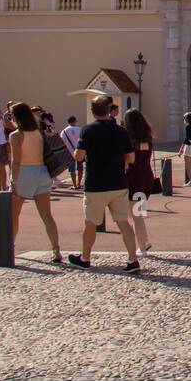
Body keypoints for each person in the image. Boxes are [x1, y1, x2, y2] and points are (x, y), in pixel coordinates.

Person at [69, 96, 140, 273]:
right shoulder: (121, 131)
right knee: (124, 222)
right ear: (109, 110)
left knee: (91, 223)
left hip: (96, 183)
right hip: (118, 182)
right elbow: (131, 157)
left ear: (92, 111)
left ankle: (85, 258)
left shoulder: (87, 130)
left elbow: (78, 155)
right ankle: (132, 259)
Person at [7, 102, 62, 263]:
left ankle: (10, 246)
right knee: (47, 216)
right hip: (42, 171)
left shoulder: (16, 135)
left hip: (25, 172)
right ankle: (56, 249)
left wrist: (13, 182)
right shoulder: (38, 132)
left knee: (14, 215)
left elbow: (15, 161)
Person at [123, 107, 156, 256]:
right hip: (147, 177)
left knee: (135, 215)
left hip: (134, 178)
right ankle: (144, 240)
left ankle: (143, 244)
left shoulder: (129, 140)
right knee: (139, 213)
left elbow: (128, 160)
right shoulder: (148, 138)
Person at [59, 115, 83, 190]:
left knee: (71, 169)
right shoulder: (80, 129)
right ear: (75, 121)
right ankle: (79, 183)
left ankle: (74, 185)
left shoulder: (64, 131)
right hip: (79, 151)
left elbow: (62, 142)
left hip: (69, 152)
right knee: (80, 168)